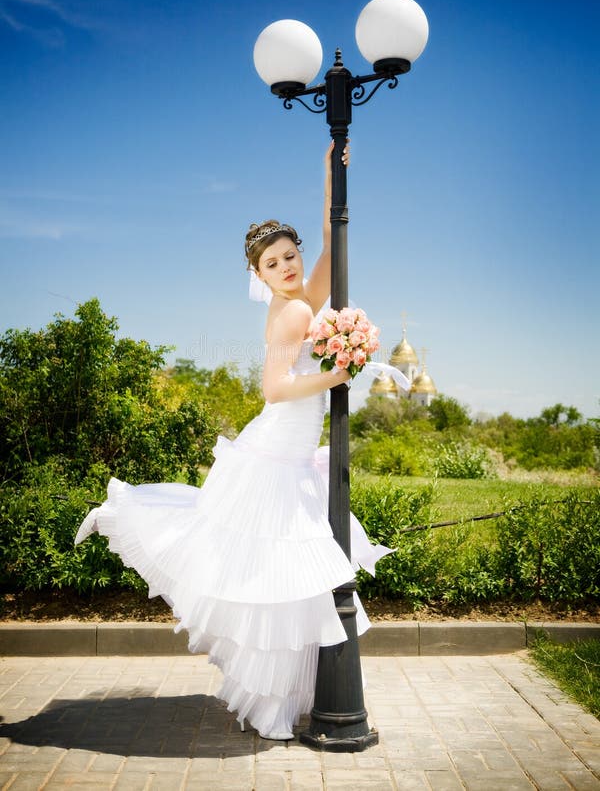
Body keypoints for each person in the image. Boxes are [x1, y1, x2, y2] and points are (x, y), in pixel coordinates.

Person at [75, 142, 395, 741]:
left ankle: (285, 702)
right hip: (277, 450)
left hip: (290, 450)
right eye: (274, 263)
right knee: (275, 577)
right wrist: (336, 372)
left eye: (290, 256)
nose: (288, 266)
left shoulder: (300, 300)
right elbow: (275, 388)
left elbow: (332, 238)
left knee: (285, 579)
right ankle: (278, 704)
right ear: (259, 275)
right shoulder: (291, 314)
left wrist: (332, 173)